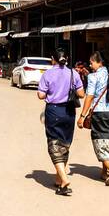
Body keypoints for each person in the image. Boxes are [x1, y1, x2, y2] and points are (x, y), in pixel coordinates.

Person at [37, 51, 85, 196]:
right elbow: (81, 94)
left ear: (53, 59)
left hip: (54, 111)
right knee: (65, 143)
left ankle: (64, 180)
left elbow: (41, 95)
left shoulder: (48, 74)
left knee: (54, 144)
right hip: (69, 112)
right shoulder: (73, 73)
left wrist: (53, 91)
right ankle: (59, 179)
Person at [79, 53, 109, 185]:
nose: (90, 65)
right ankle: (104, 171)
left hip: (100, 114)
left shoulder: (93, 77)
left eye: (91, 62)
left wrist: (82, 116)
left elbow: (89, 97)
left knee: (99, 141)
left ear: (99, 63)